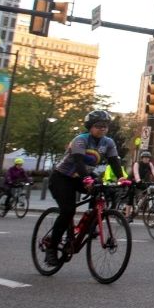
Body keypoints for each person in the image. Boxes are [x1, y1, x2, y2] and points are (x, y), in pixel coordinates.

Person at [45, 111, 125, 265]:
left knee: (102, 189)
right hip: (62, 178)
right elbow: (78, 162)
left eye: (106, 126)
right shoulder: (80, 140)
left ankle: (91, 224)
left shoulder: (108, 142)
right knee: (68, 211)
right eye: (99, 126)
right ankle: (52, 248)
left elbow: (114, 161)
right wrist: (87, 179)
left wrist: (121, 177)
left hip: (83, 176)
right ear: (90, 127)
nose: (103, 129)